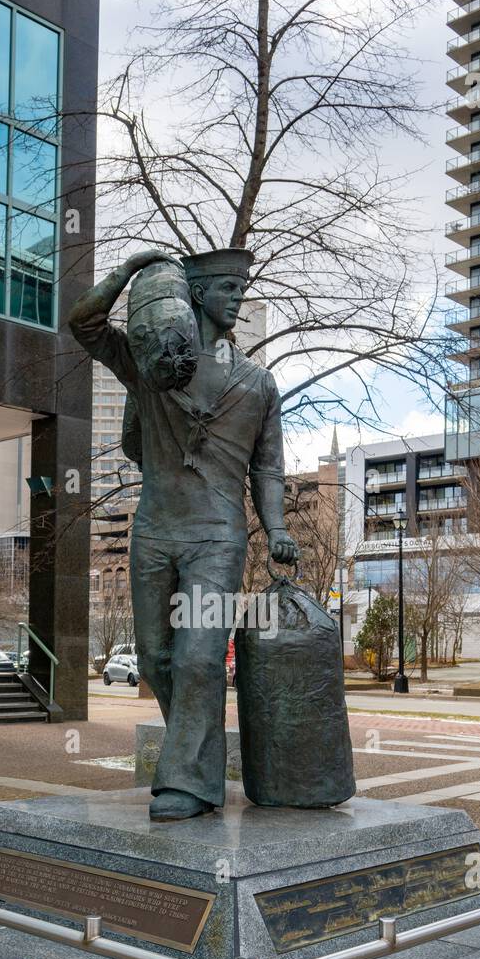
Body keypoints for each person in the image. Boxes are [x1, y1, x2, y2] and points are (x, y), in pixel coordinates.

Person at [70, 246, 298, 821]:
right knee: (155, 660)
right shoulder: (152, 368)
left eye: (241, 289)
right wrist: (130, 270)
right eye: (227, 288)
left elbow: (268, 468)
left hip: (218, 537)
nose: (238, 297)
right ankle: (199, 763)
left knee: (198, 656)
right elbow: (85, 323)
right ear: (196, 294)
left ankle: (189, 781)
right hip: (153, 530)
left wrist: (276, 530)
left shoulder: (258, 384)